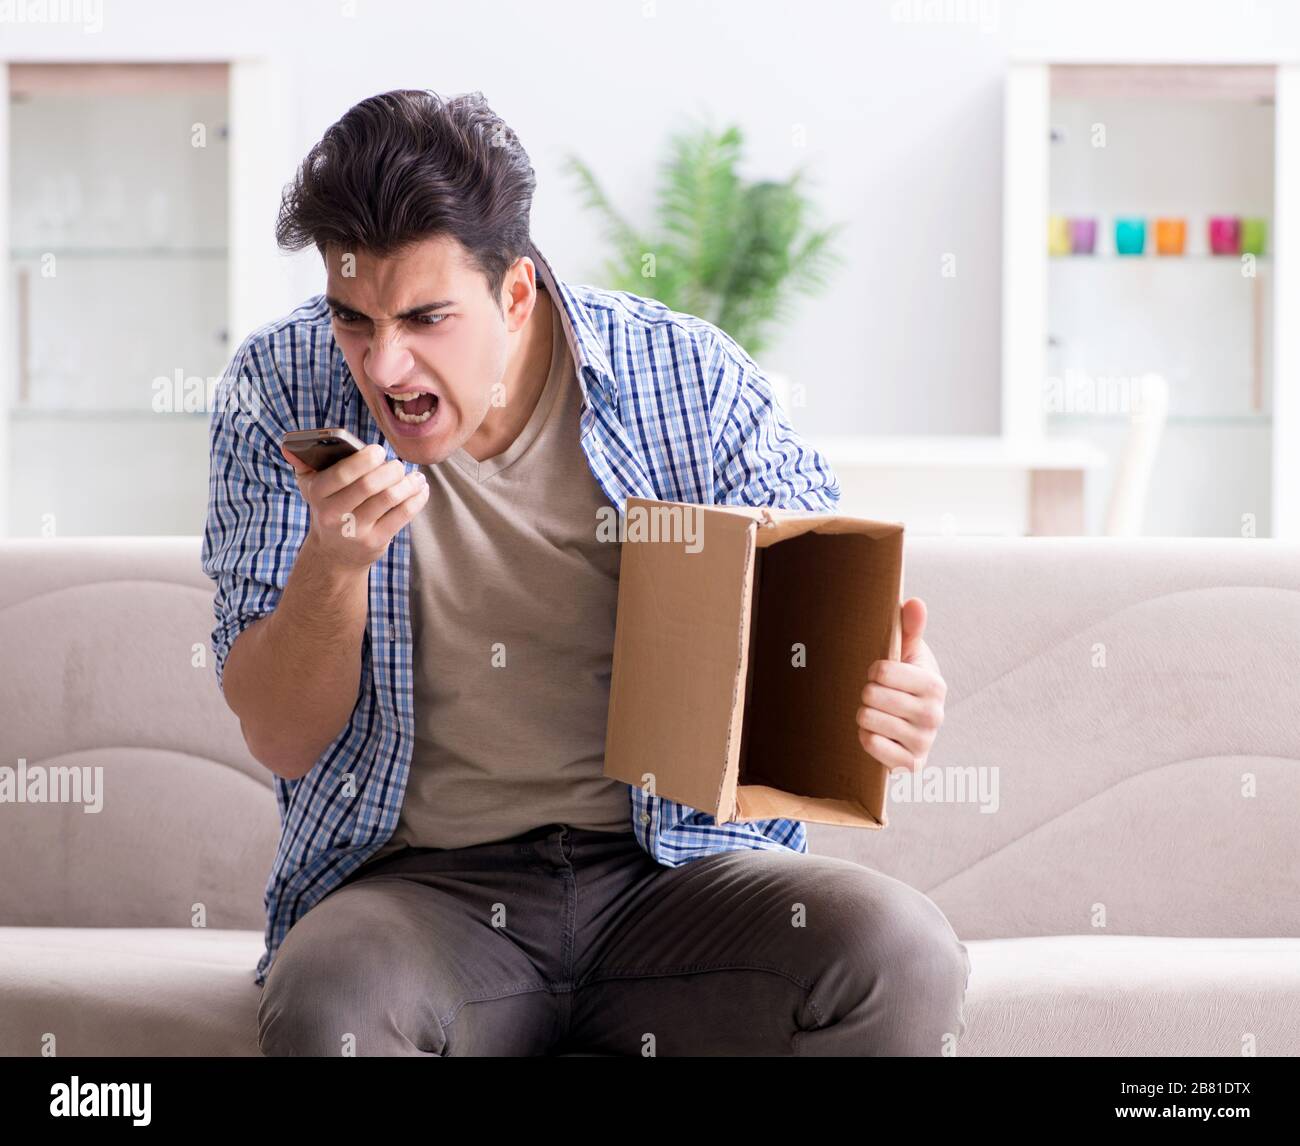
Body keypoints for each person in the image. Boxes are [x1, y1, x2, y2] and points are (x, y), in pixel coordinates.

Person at [201, 88, 968, 1056]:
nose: (385, 364)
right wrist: (333, 567)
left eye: (426, 318)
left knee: (901, 954)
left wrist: (893, 690)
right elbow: (280, 735)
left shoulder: (688, 379)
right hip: (415, 892)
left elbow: (826, 619)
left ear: (514, 293)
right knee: (333, 1006)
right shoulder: (278, 388)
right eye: (353, 318)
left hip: (673, 880)